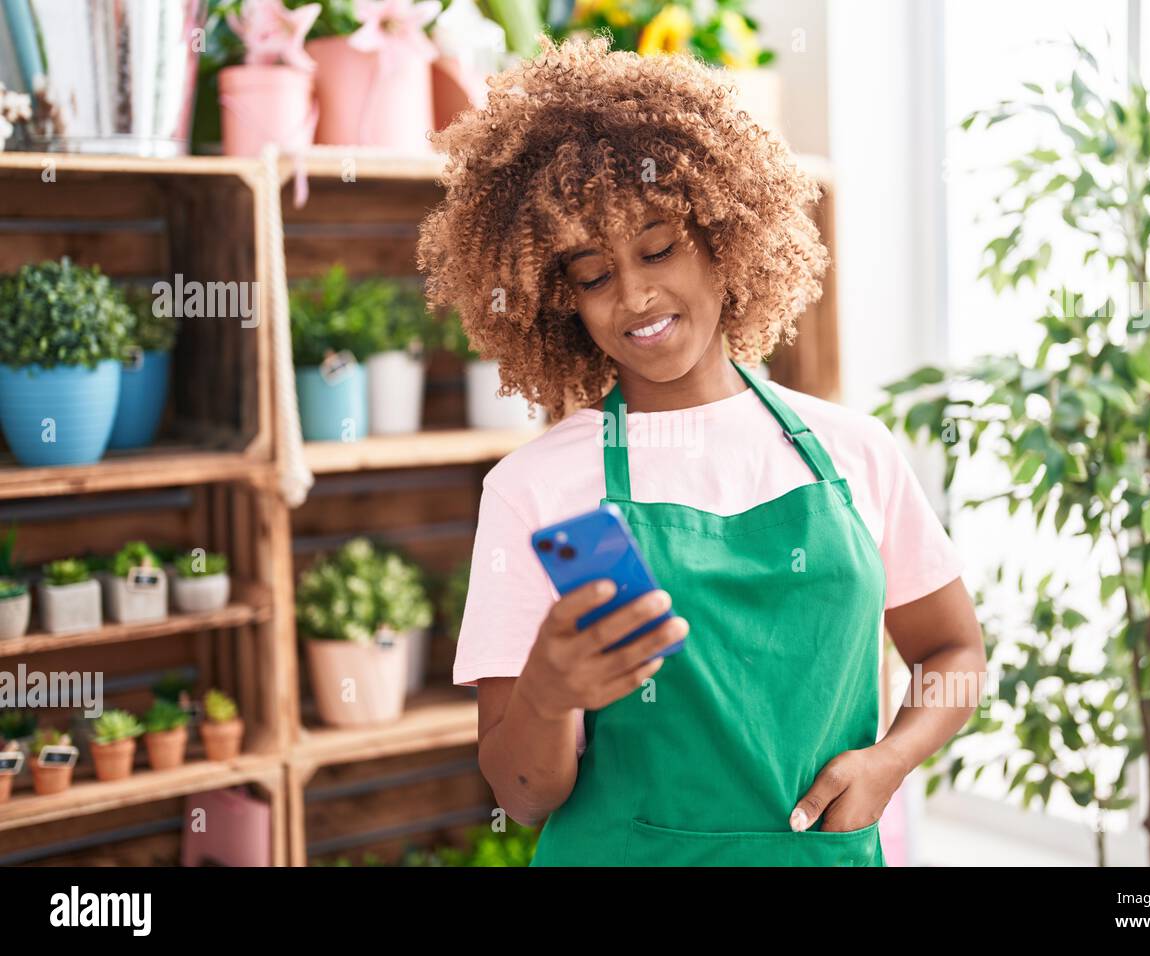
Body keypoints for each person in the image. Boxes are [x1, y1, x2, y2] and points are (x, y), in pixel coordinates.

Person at [416, 33, 986, 867]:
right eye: (592, 273)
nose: (636, 295)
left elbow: (954, 651)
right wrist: (547, 691)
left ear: (725, 238)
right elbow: (522, 794)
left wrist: (889, 763)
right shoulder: (535, 487)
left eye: (657, 248)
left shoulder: (854, 449)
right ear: (558, 299)